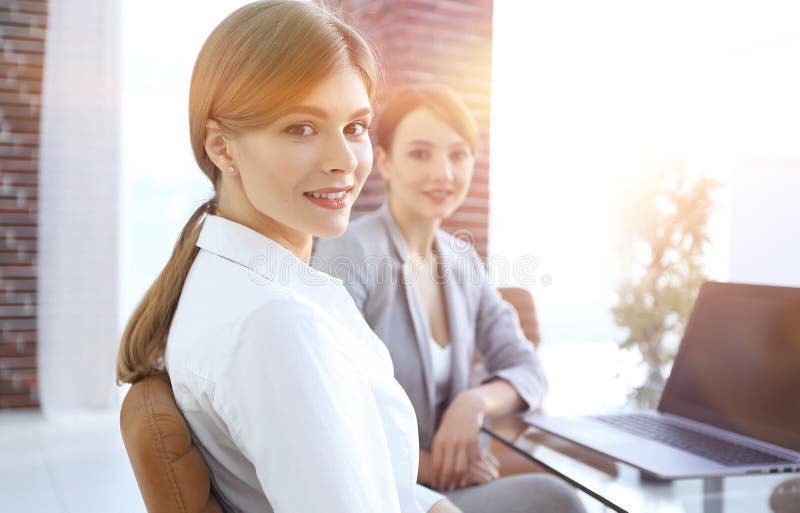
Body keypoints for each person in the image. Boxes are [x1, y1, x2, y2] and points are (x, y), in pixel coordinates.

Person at [115, 2, 460, 512]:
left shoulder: (245, 287)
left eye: (355, 127)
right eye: (301, 128)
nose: (343, 160)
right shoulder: (276, 325)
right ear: (222, 147)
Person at [313, 84, 586, 513]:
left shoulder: (462, 263)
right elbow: (331, 406)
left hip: (447, 486)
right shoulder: (349, 252)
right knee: (555, 501)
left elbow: (528, 367)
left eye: (458, 155)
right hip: (381, 485)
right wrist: (429, 468)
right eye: (420, 154)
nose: (443, 173)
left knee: (556, 499)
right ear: (383, 160)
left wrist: (473, 403)